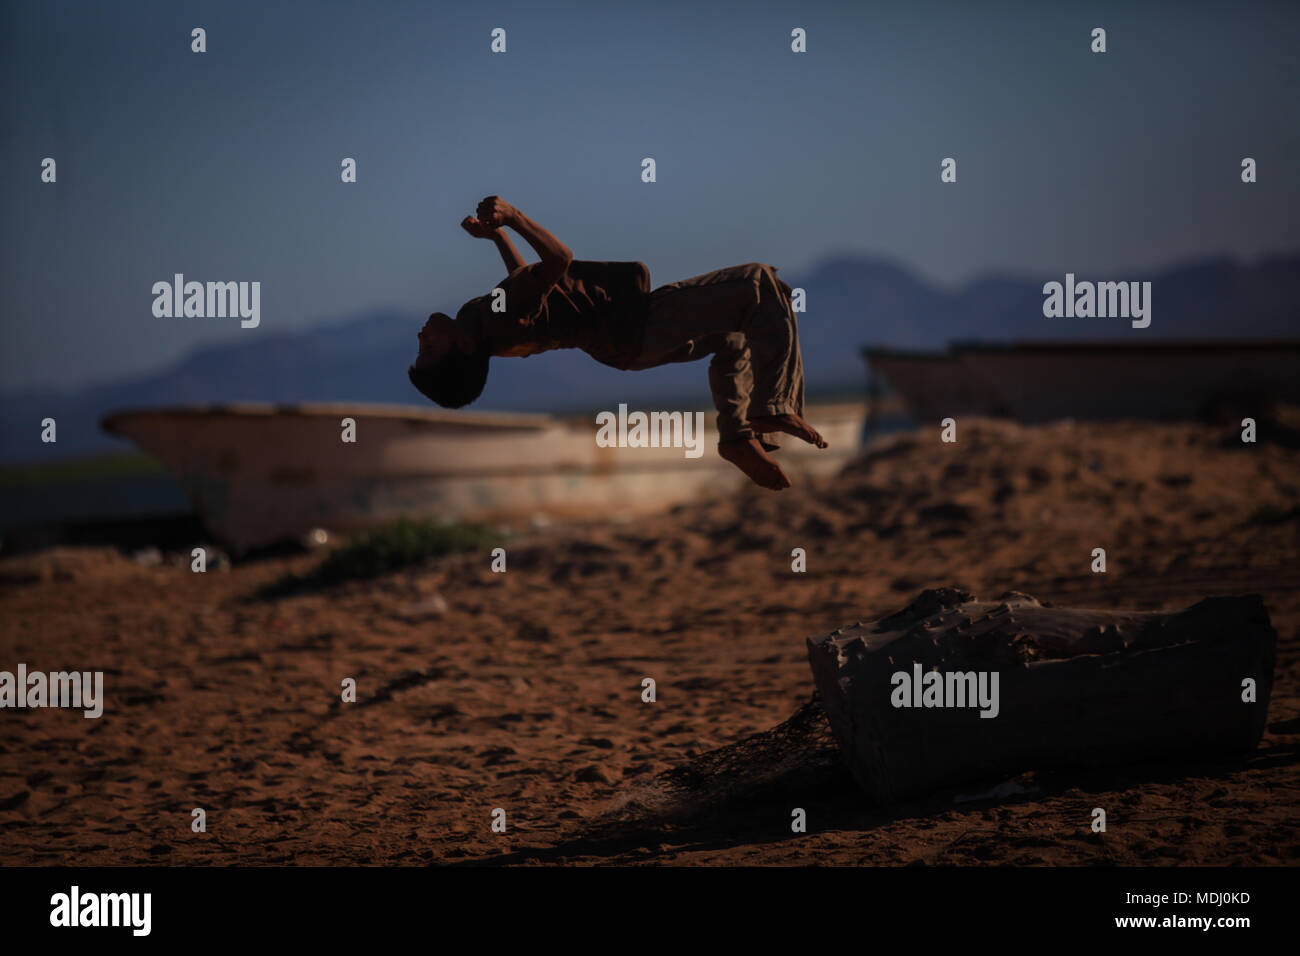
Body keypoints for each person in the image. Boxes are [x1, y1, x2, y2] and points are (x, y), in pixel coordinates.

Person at [409, 196, 827, 490]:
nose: (421, 335)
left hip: (628, 345)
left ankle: (737, 437)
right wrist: (514, 217)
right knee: (759, 283)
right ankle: (774, 407)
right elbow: (559, 259)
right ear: (462, 349)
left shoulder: (487, 327)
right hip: (638, 325)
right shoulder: (496, 321)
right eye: (428, 348)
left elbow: (526, 281)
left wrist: (495, 237)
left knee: (736, 338)